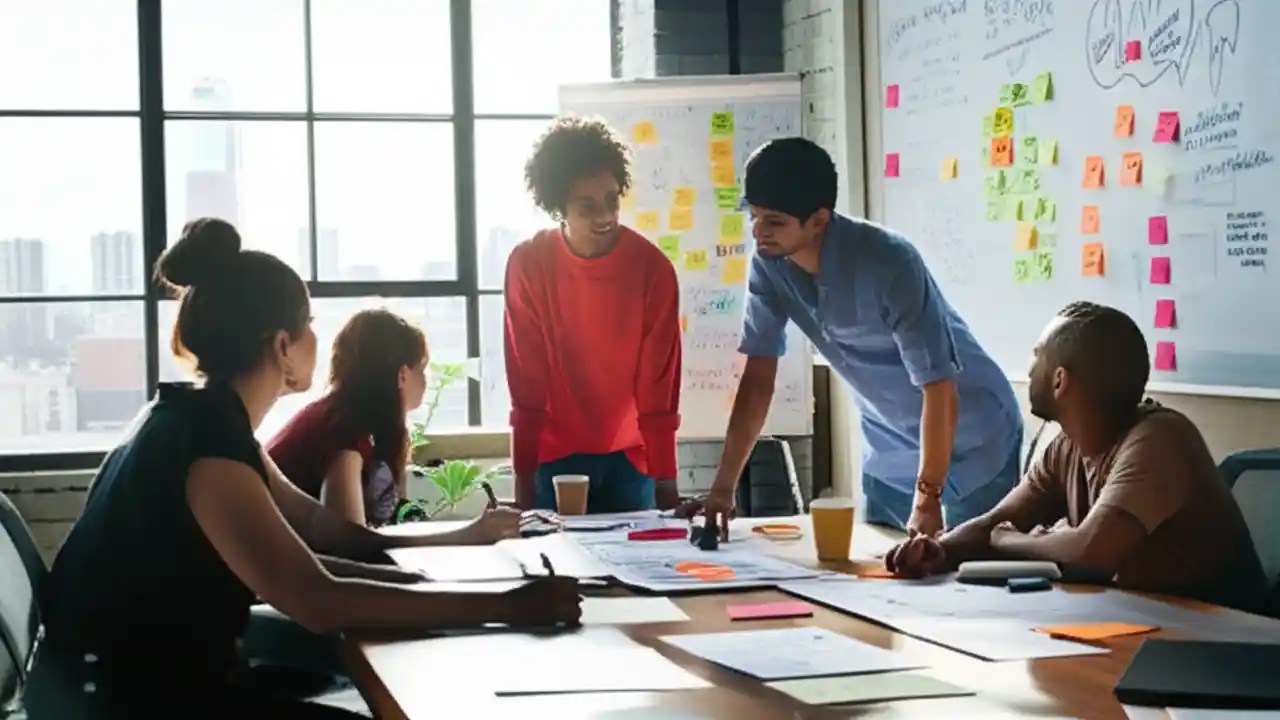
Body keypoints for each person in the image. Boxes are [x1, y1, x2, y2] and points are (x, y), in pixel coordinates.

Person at [28, 219, 580, 719]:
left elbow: (323, 532)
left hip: (138, 687)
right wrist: (505, 606)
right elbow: (316, 598)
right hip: (117, 704)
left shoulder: (202, 420)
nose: (320, 337)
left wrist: (423, 577)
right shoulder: (207, 448)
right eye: (310, 322)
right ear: (282, 345)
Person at [700, 137, 1023, 538]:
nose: (759, 232)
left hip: (973, 439)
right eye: (754, 216)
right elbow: (759, 375)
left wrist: (928, 499)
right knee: (882, 579)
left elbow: (940, 388)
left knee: (964, 582)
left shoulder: (889, 262)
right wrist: (723, 489)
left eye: (775, 222)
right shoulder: (770, 264)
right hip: (888, 450)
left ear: (818, 220)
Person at [885, 302, 1268, 612]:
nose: (1030, 366)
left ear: (1060, 381)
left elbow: (1091, 551)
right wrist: (939, 549)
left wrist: (1009, 542)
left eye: (1037, 357)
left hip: (1231, 643)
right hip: (1147, 623)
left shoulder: (1160, 440)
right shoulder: (1066, 447)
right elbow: (998, 522)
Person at [505, 115, 682, 513]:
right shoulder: (528, 264)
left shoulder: (652, 270)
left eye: (612, 200)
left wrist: (666, 485)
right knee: (555, 571)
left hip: (631, 459)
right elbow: (526, 379)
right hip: (553, 457)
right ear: (558, 207)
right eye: (587, 206)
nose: (605, 216)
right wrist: (521, 485)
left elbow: (659, 387)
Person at [269, 308, 435, 528]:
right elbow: (346, 538)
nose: (425, 380)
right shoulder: (344, 431)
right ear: (402, 376)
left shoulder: (356, 423)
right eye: (422, 368)